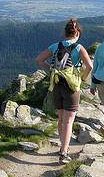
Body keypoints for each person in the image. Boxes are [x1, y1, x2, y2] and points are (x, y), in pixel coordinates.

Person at [35, 18, 92, 163]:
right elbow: (89, 66)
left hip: (56, 85)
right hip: (71, 87)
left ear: (65, 33)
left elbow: (39, 60)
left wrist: (52, 71)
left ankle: (63, 146)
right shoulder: (79, 48)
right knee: (69, 121)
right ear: (77, 33)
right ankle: (64, 152)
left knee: (61, 119)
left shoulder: (55, 46)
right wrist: (82, 78)